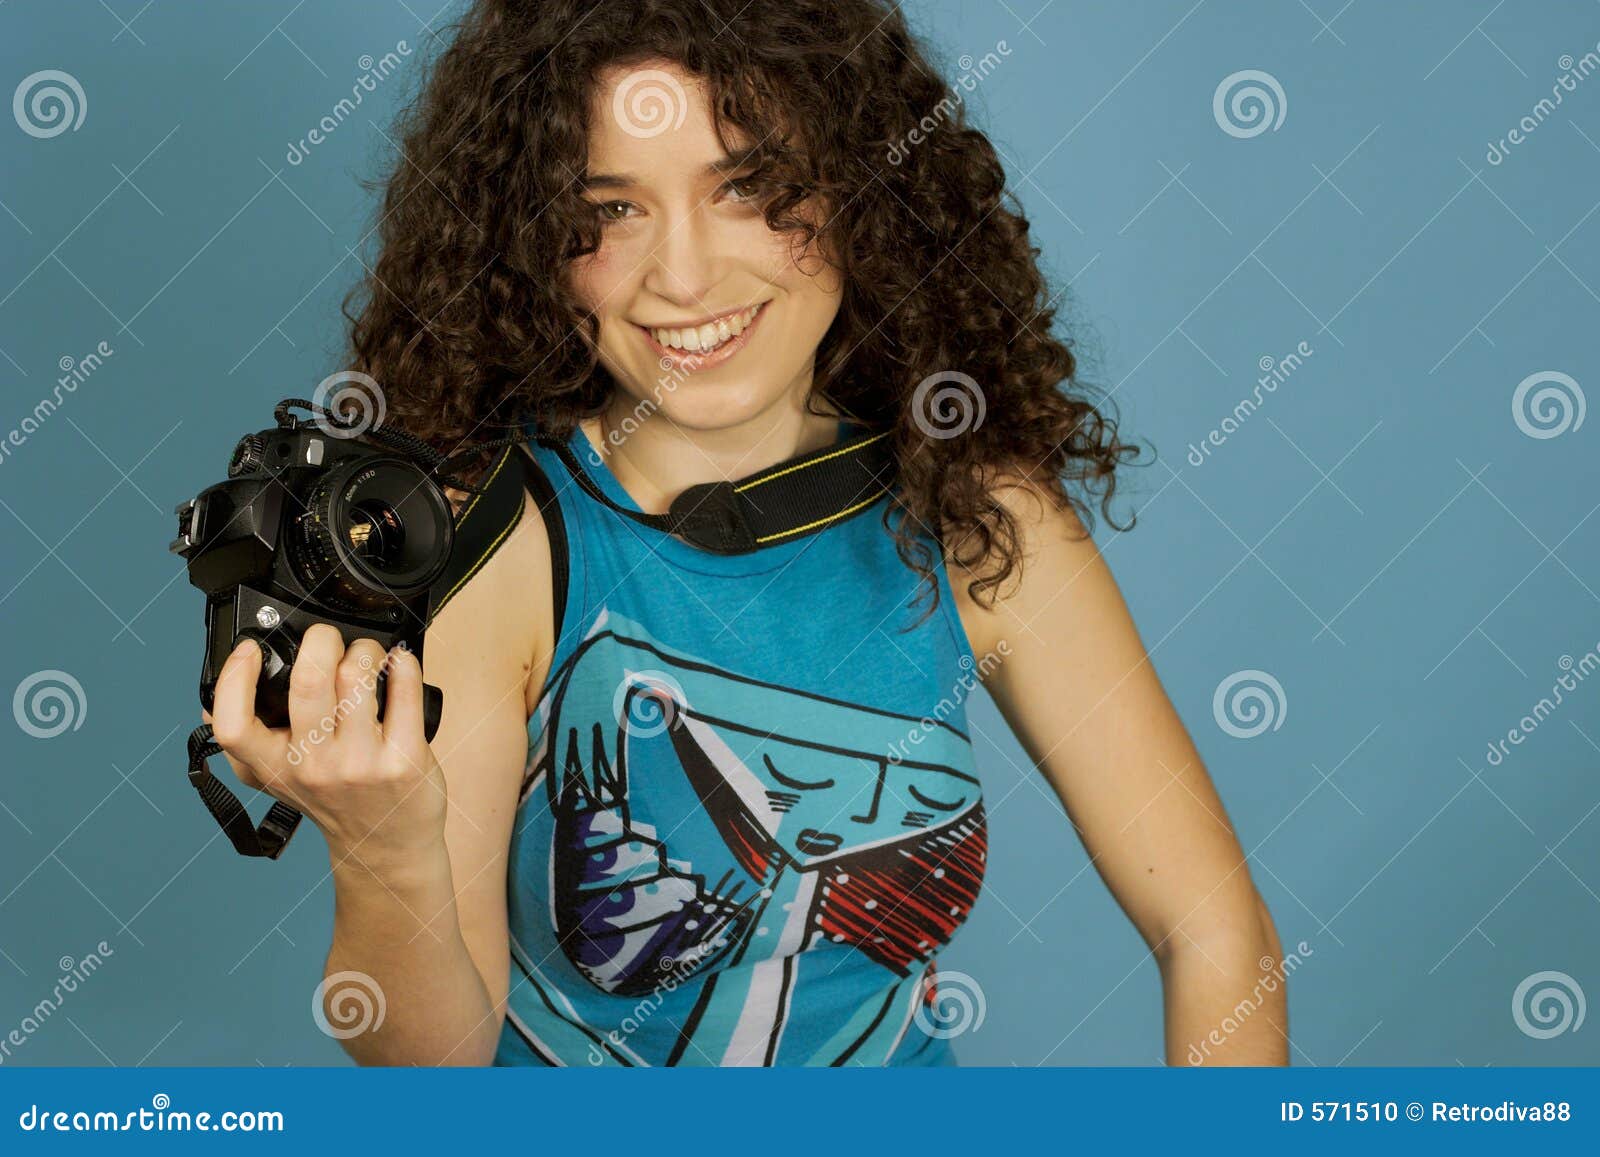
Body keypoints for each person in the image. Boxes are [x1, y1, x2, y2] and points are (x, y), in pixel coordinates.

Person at [205, 0, 1287, 1066]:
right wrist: (383, 851)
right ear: (534, 239)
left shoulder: (973, 512)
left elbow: (1215, 932)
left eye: (747, 189)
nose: (683, 278)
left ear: (865, 193)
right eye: (612, 209)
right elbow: (432, 1062)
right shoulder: (506, 537)